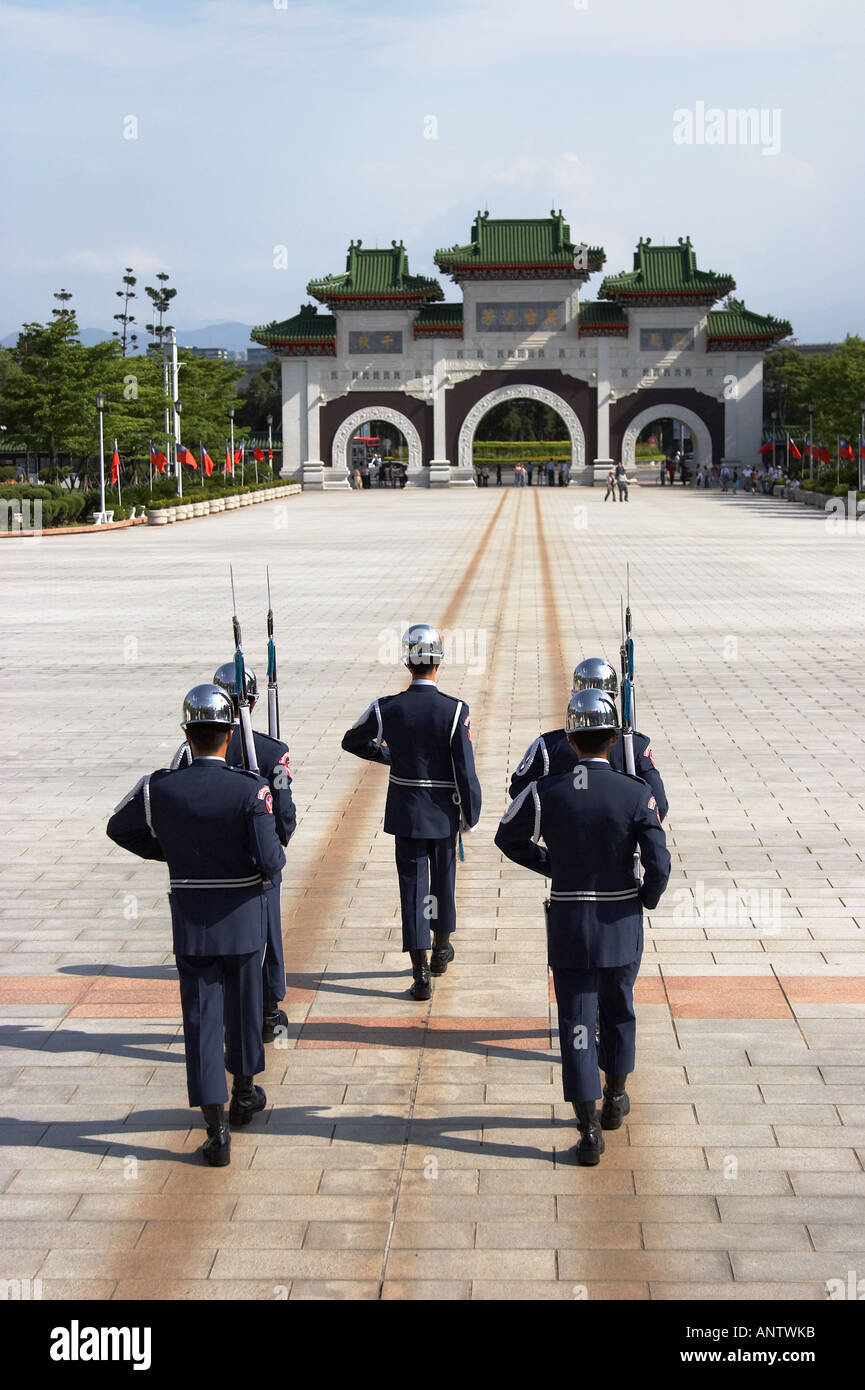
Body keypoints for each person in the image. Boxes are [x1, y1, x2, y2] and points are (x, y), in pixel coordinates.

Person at [107, 685, 285, 1165]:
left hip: (192, 923)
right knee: (246, 1013)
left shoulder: (160, 787)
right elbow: (272, 862)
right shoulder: (251, 789)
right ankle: (244, 1093)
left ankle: (215, 1127)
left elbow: (119, 828)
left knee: (203, 1022)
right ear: (229, 735)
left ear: (187, 733)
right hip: (244, 923)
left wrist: (174, 852)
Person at [495, 689, 670, 1165]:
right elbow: (658, 859)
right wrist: (646, 898)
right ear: (613, 740)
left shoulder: (547, 792)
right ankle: (615, 1097)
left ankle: (588, 1129)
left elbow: (507, 835)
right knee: (619, 1010)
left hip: (571, 922)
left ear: (571, 741)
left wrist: (550, 864)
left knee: (576, 1021)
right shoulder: (636, 794)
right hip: (620, 921)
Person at [341, 625, 482, 999]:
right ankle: (440, 950)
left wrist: (389, 756)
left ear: (407, 661)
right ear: (439, 661)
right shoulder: (454, 710)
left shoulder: (387, 708)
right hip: (443, 812)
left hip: (405, 811)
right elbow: (464, 770)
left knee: (414, 889)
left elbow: (352, 740)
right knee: (443, 884)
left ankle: (419, 972)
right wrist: (471, 813)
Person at [173, 664, 296, 1044]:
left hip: (206, 863)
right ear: (254, 702)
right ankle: (269, 1008)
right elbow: (285, 815)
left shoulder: (187, 752)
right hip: (260, 861)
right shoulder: (273, 751)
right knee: (267, 937)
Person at [508, 657, 668, 819]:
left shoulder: (548, 746)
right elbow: (659, 805)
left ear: (576, 698)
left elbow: (520, 791)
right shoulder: (636, 745)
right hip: (621, 840)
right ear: (613, 699)